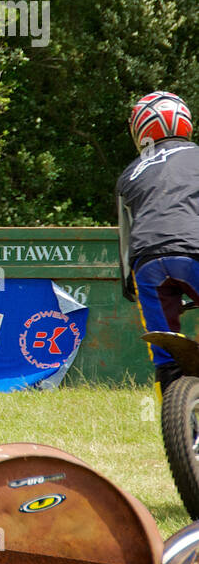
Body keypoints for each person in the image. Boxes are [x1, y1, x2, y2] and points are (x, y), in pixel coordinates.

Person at [116, 90, 199, 400]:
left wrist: (129, 282)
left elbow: (125, 234)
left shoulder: (129, 173)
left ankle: (180, 433)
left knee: (165, 355)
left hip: (147, 263)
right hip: (195, 251)